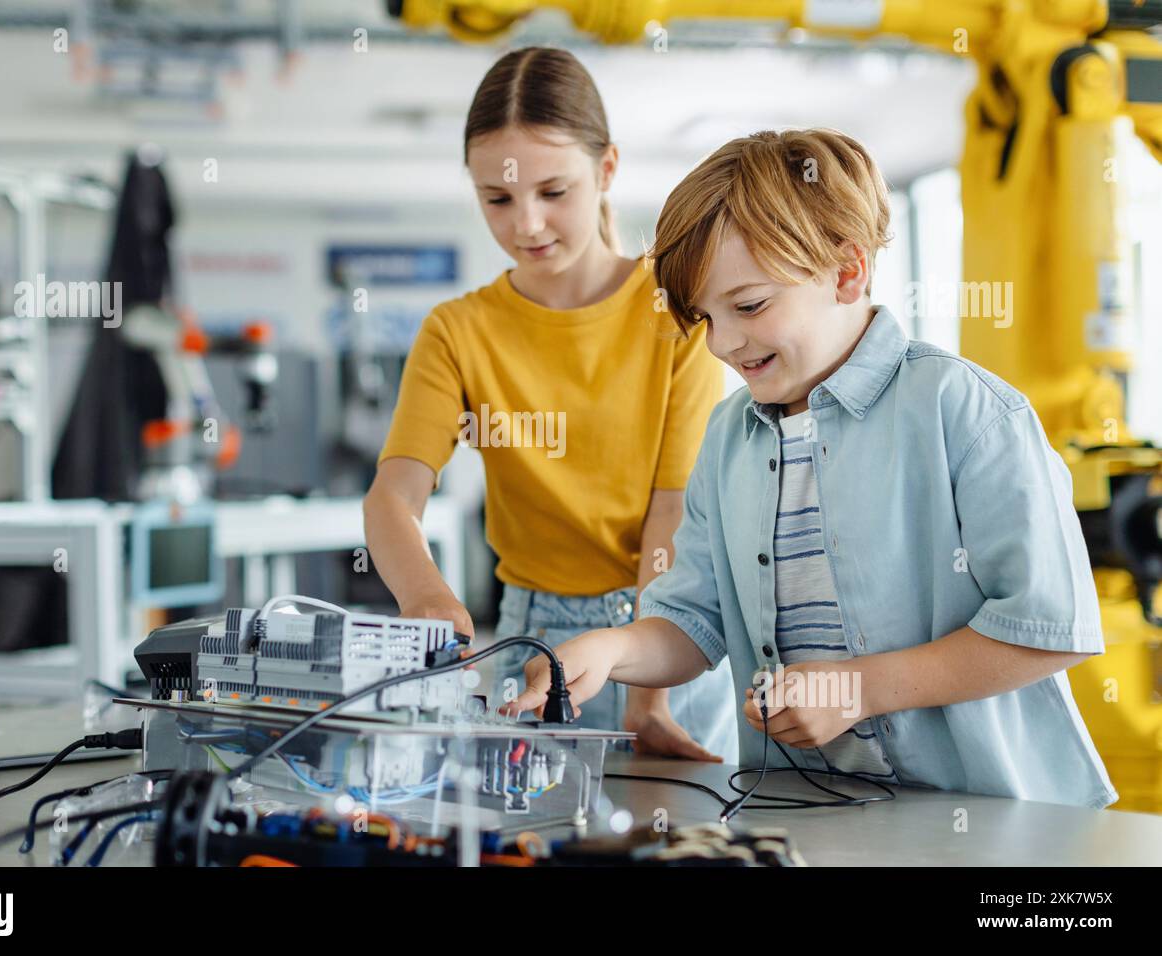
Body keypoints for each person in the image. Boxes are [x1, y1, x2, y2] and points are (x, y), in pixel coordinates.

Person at [514, 128, 1117, 808]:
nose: (724, 343)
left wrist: (859, 688)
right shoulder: (728, 438)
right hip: (811, 810)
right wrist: (608, 650)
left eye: (747, 306)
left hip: (995, 822)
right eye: (705, 318)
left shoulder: (964, 411)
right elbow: (693, 620)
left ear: (848, 270)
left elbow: (1047, 628)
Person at [364, 47, 736, 760]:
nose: (527, 224)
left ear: (606, 171)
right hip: (529, 630)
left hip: (665, 632)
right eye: (497, 199)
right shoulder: (458, 330)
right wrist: (424, 598)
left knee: (682, 841)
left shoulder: (676, 306)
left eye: (553, 192)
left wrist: (647, 695)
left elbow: (673, 509)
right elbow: (393, 495)